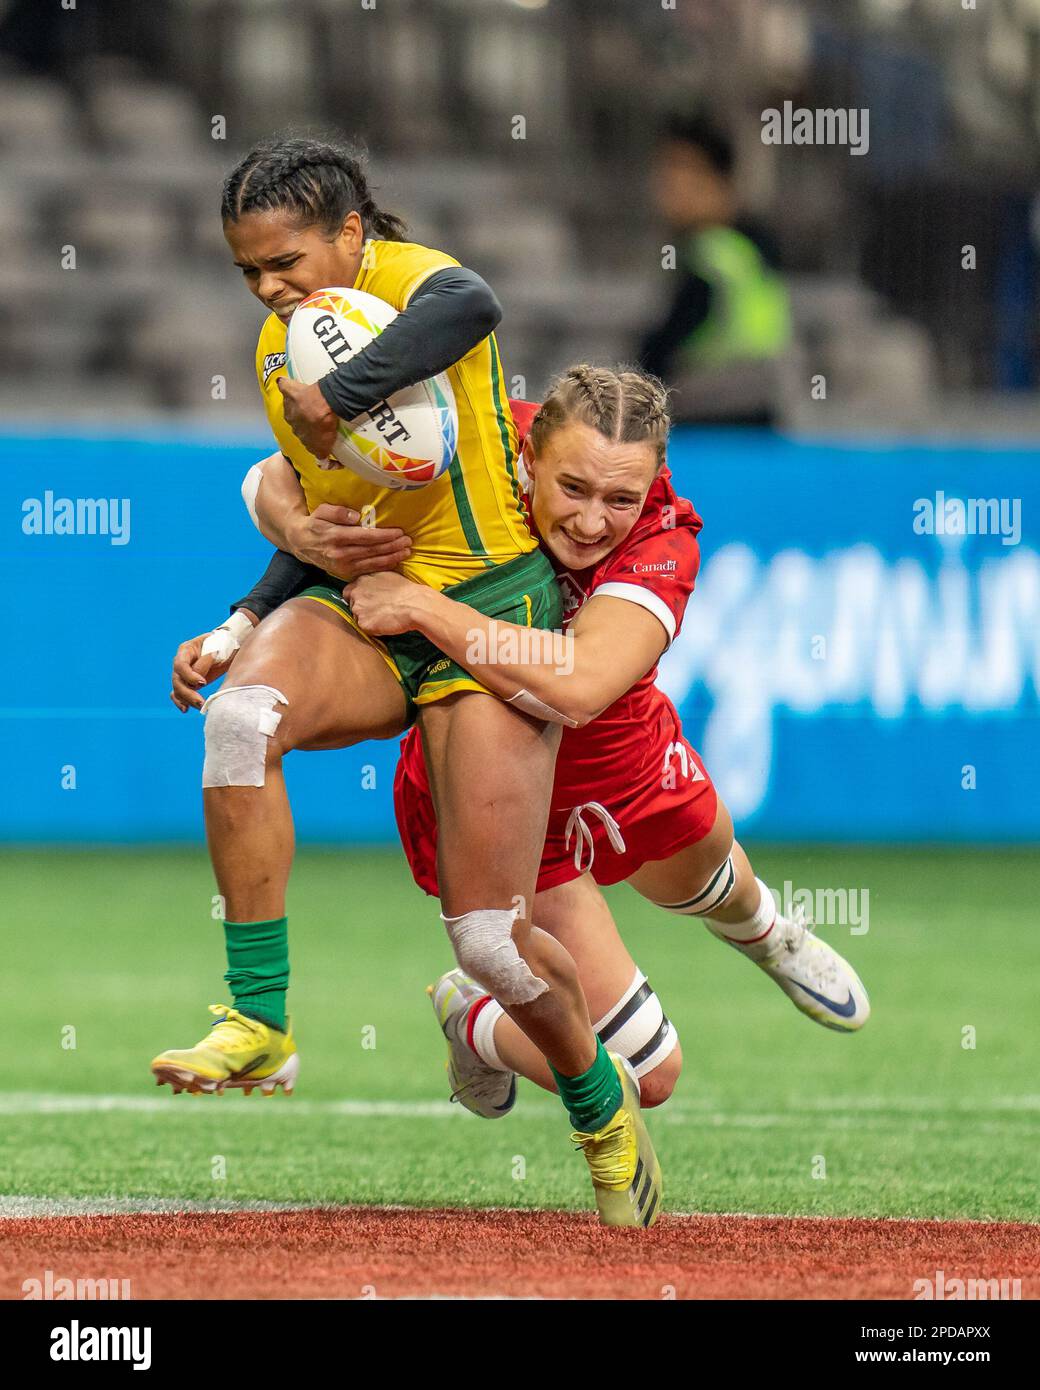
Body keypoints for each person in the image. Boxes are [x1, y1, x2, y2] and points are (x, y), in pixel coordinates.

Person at [152, 135, 661, 1229]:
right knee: (239, 717)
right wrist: (239, 621)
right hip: (368, 609)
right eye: (247, 270)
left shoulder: (412, 283)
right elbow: (332, 523)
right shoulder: (281, 350)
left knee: (487, 941)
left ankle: (597, 1104)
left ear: (350, 232)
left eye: (285, 261)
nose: (268, 288)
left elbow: (473, 304)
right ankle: (260, 1024)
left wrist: (336, 392)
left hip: (489, 614)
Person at [343, 368, 869, 1116]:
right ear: (531, 456)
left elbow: (580, 686)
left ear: (651, 484)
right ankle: (474, 1019)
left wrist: (424, 607)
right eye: (574, 489)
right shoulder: (469, 437)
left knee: (717, 872)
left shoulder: (663, 541)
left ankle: (770, 936)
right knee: (650, 1077)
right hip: (504, 795)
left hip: (624, 761)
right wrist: (286, 548)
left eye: (621, 499)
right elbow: (273, 478)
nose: (593, 522)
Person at [637, 112, 792, 426]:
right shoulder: (752, 247)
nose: (671, 190)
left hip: (714, 414)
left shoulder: (713, 253)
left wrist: (634, 382)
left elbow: (669, 340)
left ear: (721, 182)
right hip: (759, 406)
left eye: (686, 176)